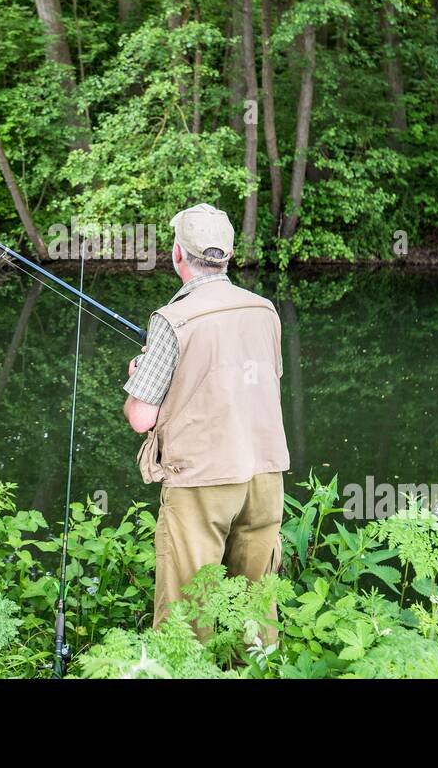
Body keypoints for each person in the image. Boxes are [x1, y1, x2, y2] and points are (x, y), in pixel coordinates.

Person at [122, 203, 290, 631]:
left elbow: (141, 417)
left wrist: (141, 377)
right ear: (229, 254)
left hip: (202, 483)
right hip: (265, 478)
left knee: (189, 615)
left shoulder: (171, 319)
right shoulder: (264, 310)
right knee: (255, 610)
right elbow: (255, 383)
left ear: (177, 254)